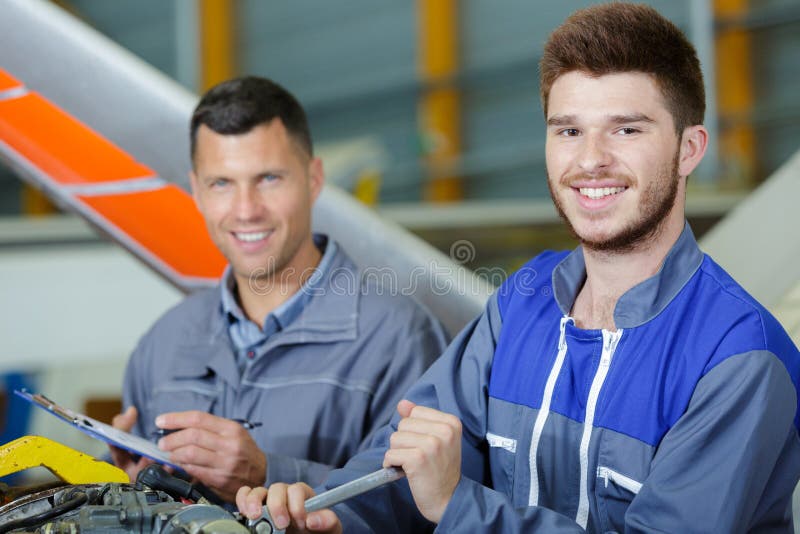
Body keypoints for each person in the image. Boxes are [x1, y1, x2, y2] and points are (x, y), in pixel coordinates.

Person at [236, 4, 800, 532]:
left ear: (689, 149)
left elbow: (445, 493)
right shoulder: (523, 300)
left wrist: (459, 506)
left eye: (626, 129)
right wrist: (327, 511)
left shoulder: (740, 359)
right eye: (568, 130)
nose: (589, 160)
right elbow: (407, 460)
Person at [109, 76, 449, 503]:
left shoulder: (400, 338)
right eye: (222, 184)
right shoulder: (162, 344)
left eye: (268, 178)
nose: (246, 209)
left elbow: (416, 507)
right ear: (196, 190)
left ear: (313, 178)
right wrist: (133, 485)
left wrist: (269, 473)